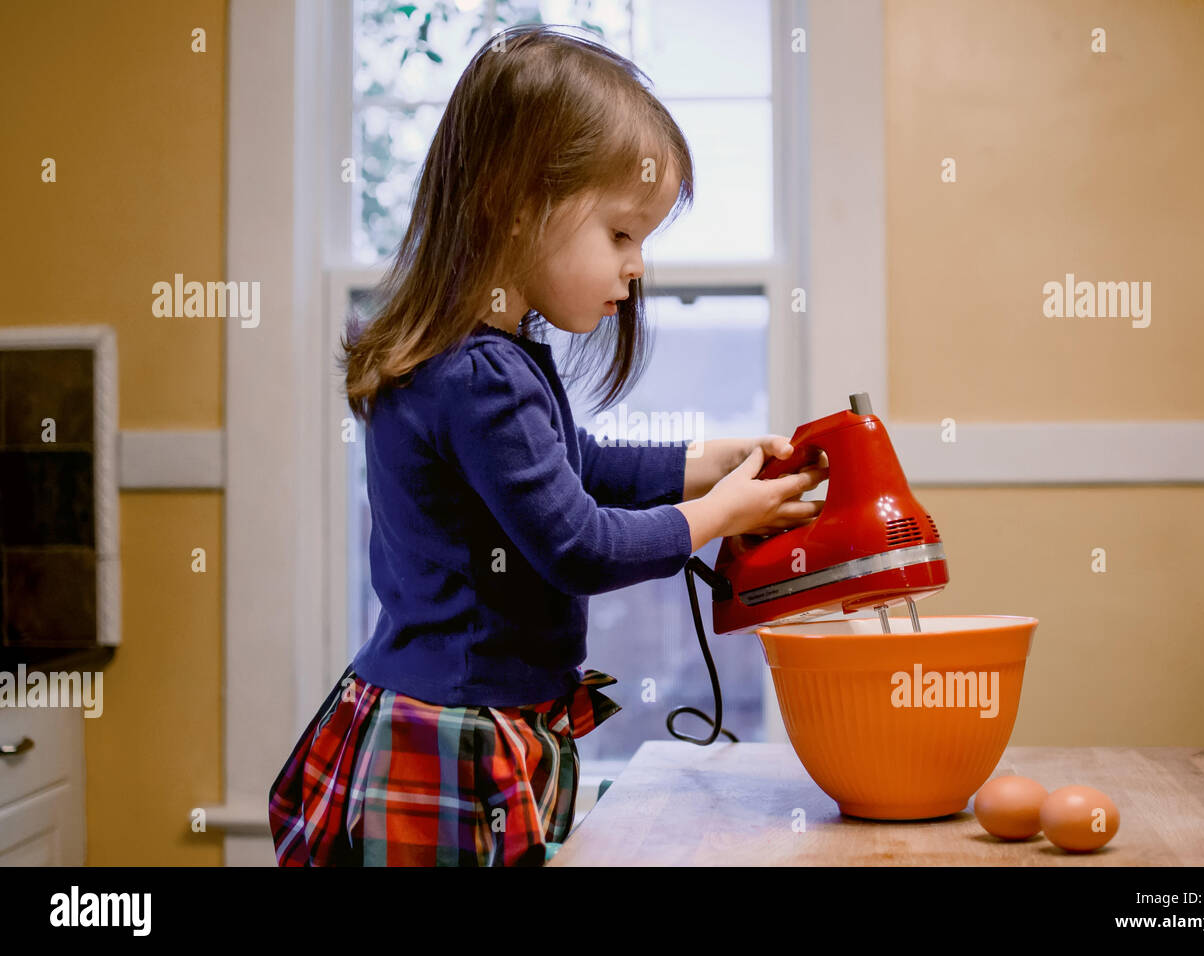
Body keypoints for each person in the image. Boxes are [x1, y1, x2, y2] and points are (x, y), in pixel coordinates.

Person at [267, 23, 827, 867]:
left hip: (471, 714)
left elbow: (579, 467)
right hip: (453, 735)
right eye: (621, 234)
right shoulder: (481, 373)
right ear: (515, 201)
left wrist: (706, 462)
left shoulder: (486, 356)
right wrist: (717, 514)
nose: (637, 266)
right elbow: (578, 545)